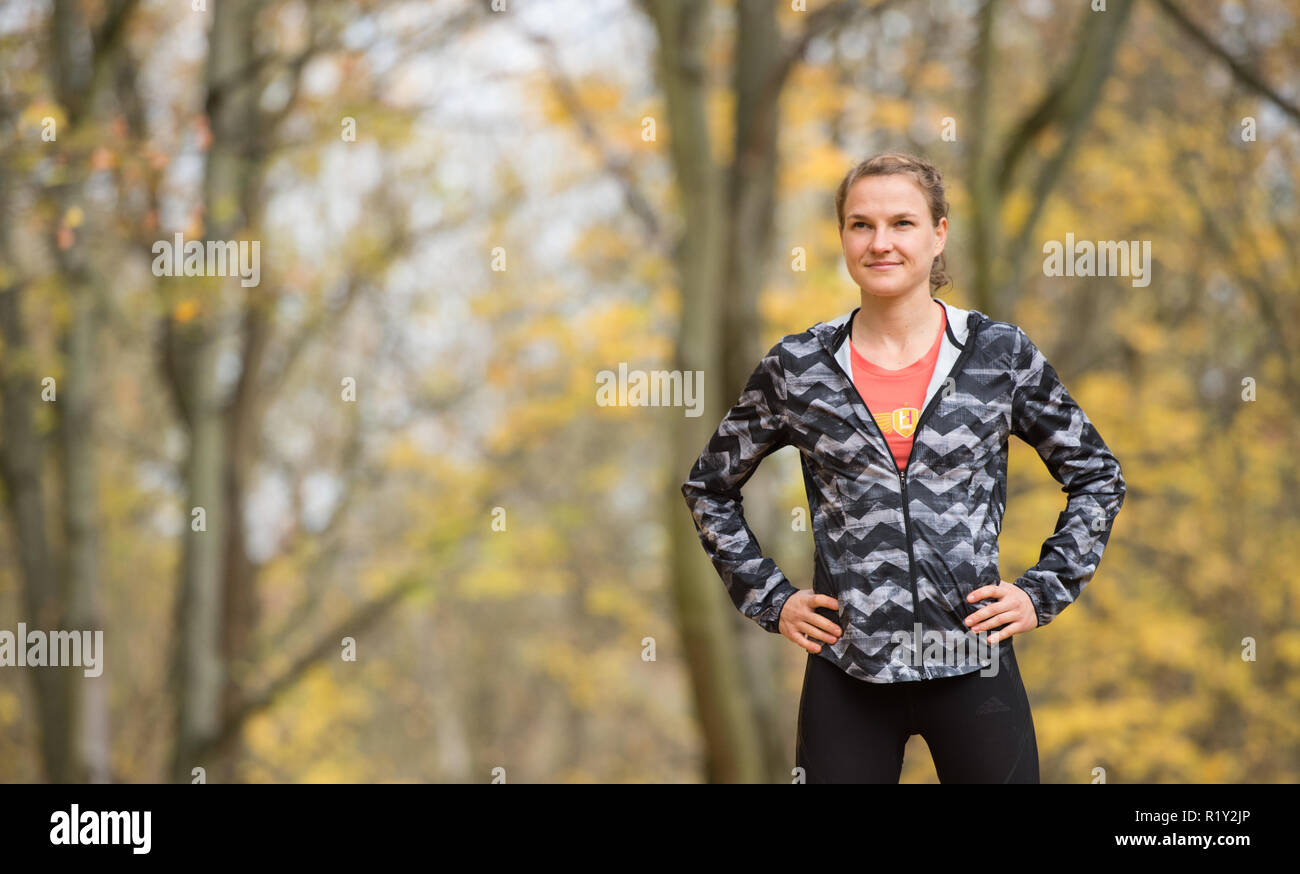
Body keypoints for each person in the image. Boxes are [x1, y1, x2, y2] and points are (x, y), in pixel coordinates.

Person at [679, 152, 1126, 783]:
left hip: (975, 665)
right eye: (861, 225)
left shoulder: (999, 355)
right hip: (847, 673)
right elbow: (708, 488)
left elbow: (1098, 475)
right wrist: (772, 599)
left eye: (902, 223)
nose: (880, 242)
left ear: (939, 233)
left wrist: (1040, 592)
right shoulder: (798, 368)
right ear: (842, 237)